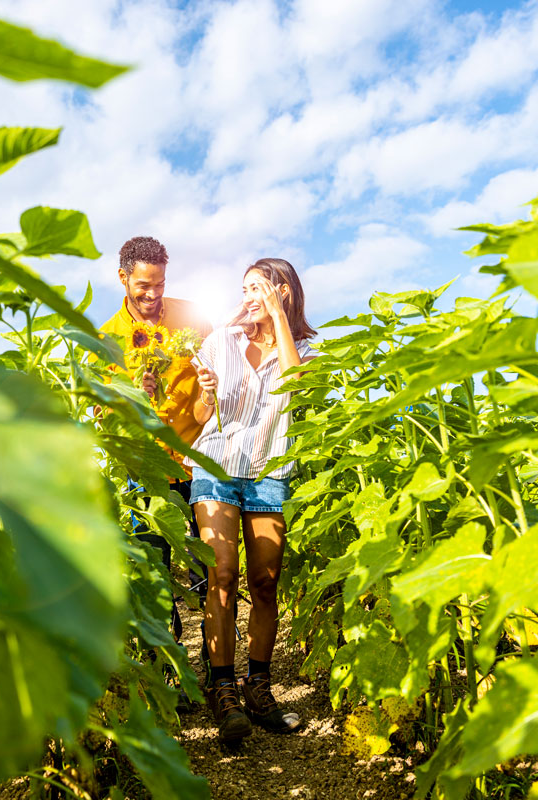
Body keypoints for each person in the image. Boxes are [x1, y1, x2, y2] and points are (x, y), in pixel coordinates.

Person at [186, 257, 317, 743]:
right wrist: (206, 392)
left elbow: (298, 387)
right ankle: (222, 689)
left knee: (265, 582)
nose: (247, 296)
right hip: (216, 467)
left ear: (283, 292)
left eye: (258, 287)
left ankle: (258, 686)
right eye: (244, 288)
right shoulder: (221, 340)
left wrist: (278, 317)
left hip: (269, 472)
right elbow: (202, 414)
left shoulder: (303, 349)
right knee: (221, 575)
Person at [99, 236, 212, 646]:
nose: (153, 294)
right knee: (154, 568)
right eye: (143, 285)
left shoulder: (192, 317)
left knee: (210, 566)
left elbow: (217, 366)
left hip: (197, 459)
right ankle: (170, 662)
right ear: (123, 278)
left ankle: (217, 661)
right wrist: (134, 396)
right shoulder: (106, 339)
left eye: (160, 284)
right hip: (144, 468)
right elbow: (102, 415)